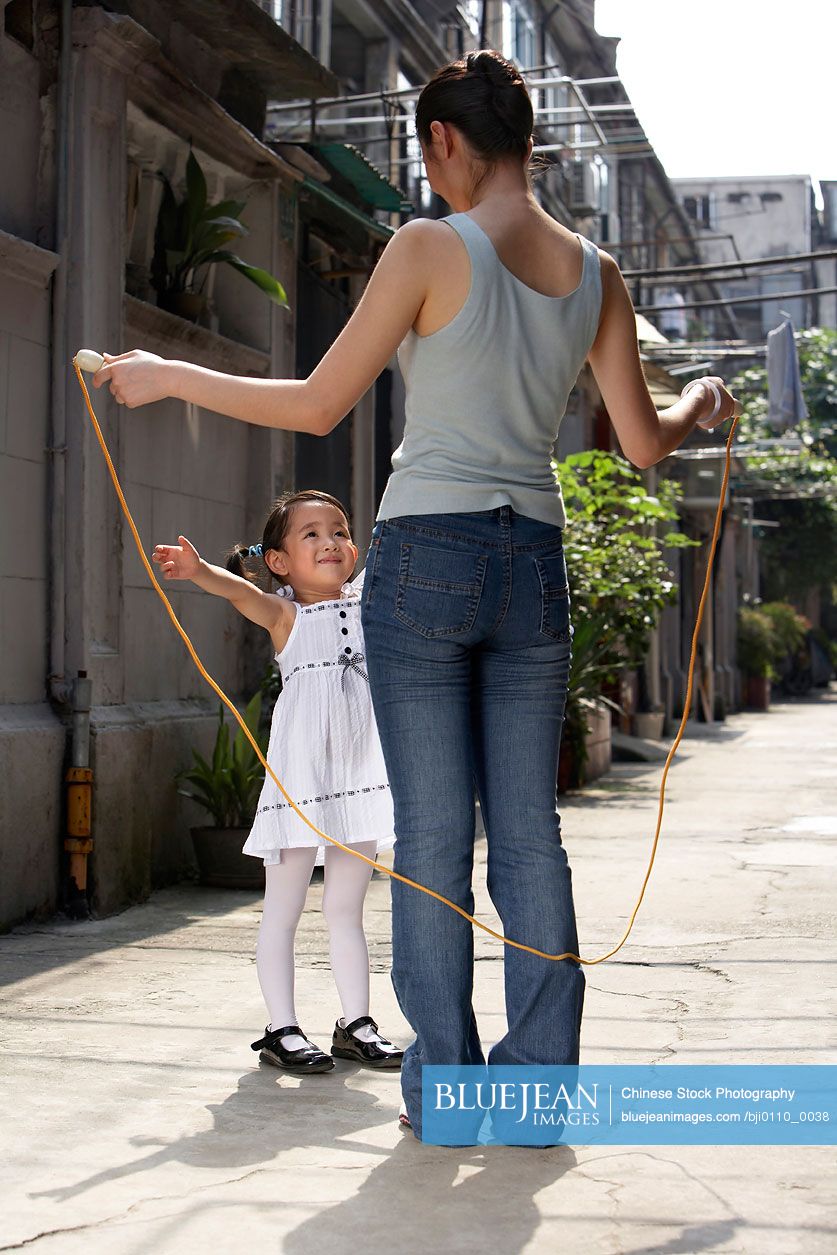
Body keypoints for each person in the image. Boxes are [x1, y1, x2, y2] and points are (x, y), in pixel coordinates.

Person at [95, 50, 738, 1140]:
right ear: (529, 142)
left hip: (429, 555)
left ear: (444, 142)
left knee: (434, 839)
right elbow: (638, 444)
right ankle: (537, 1095)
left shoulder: (429, 245)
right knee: (529, 834)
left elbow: (314, 405)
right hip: (533, 556)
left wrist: (167, 372)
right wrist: (701, 404)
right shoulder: (598, 270)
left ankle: (448, 1091)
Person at [152, 490, 403, 1074]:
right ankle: (280, 1028)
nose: (330, 542)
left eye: (339, 531)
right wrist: (199, 571)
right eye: (311, 535)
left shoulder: (373, 603)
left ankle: (356, 1022)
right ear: (279, 562)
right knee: (282, 911)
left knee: (347, 908)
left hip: (359, 781)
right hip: (300, 785)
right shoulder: (283, 613)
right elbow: (238, 592)